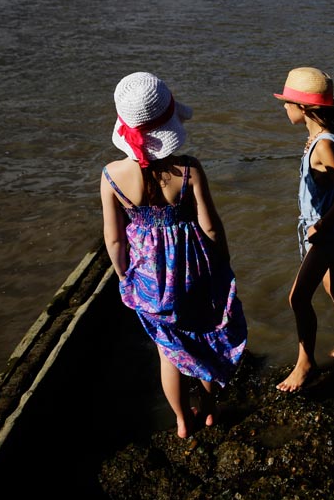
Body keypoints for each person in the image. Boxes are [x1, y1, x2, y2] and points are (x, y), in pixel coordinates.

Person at [101, 71, 247, 438]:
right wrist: (223, 264)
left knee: (167, 351)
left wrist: (123, 275)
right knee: (204, 337)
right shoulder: (189, 169)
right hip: (194, 270)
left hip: (150, 278)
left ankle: (182, 421)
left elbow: (114, 238)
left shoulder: (111, 176)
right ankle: (210, 409)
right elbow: (211, 226)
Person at [273, 66, 334, 392]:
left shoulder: (322, 146)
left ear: (305, 108)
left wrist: (321, 225)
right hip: (331, 229)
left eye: (287, 102)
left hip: (327, 232)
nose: (283, 107)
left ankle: (304, 364)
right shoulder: (324, 139)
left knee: (297, 298)